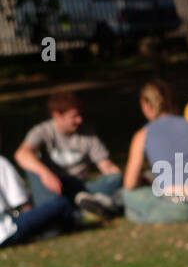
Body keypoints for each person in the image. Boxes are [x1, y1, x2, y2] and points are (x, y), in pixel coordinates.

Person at [119, 80, 188, 225]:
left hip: (177, 207)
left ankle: (142, 216)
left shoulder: (142, 135)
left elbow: (130, 183)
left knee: (128, 195)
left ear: (146, 105)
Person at [14, 90, 122, 220]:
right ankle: (91, 206)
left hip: (82, 187)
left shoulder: (87, 133)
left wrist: (122, 179)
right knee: (33, 169)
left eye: (79, 115)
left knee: (116, 179)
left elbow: (107, 166)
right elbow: (21, 154)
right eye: (74, 116)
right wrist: (45, 173)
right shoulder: (43, 131)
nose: (79, 120)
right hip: (56, 189)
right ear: (56, 115)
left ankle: (83, 206)